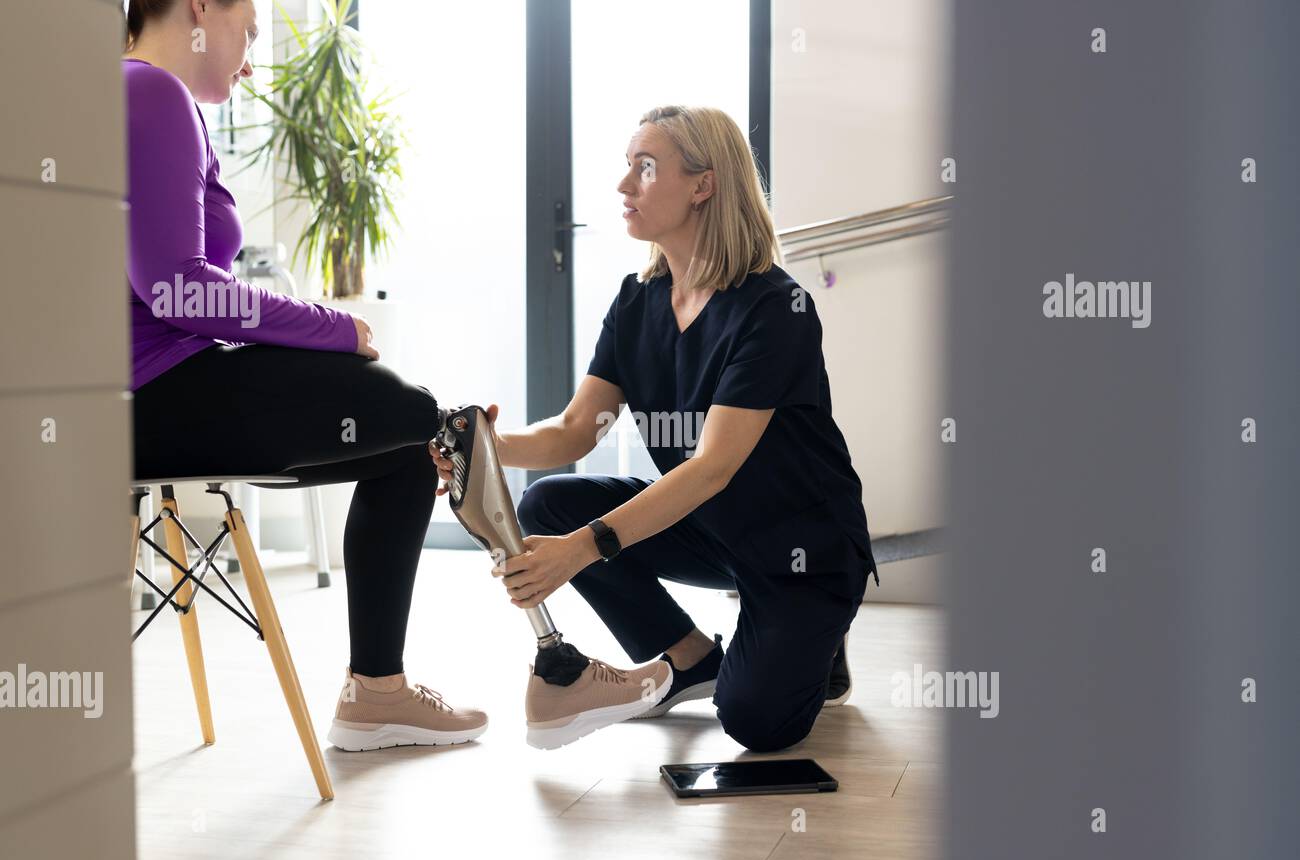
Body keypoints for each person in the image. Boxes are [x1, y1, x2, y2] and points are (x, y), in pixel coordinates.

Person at [433, 105, 879, 753]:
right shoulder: (637, 300)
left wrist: (584, 548)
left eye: (646, 168)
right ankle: (689, 656)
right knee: (548, 503)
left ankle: (816, 638)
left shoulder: (774, 309)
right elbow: (574, 431)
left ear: (704, 185)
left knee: (754, 720)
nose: (624, 187)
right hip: (712, 528)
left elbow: (713, 466)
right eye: (627, 167)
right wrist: (485, 445)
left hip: (799, 545)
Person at [122, 0, 493, 751]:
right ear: (200, 6)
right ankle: (391, 692)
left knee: (408, 439)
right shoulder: (149, 91)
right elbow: (178, 291)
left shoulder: (137, 94)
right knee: (423, 419)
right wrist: (335, 328)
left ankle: (378, 693)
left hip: (155, 395)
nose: (253, 57)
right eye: (251, 31)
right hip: (157, 396)